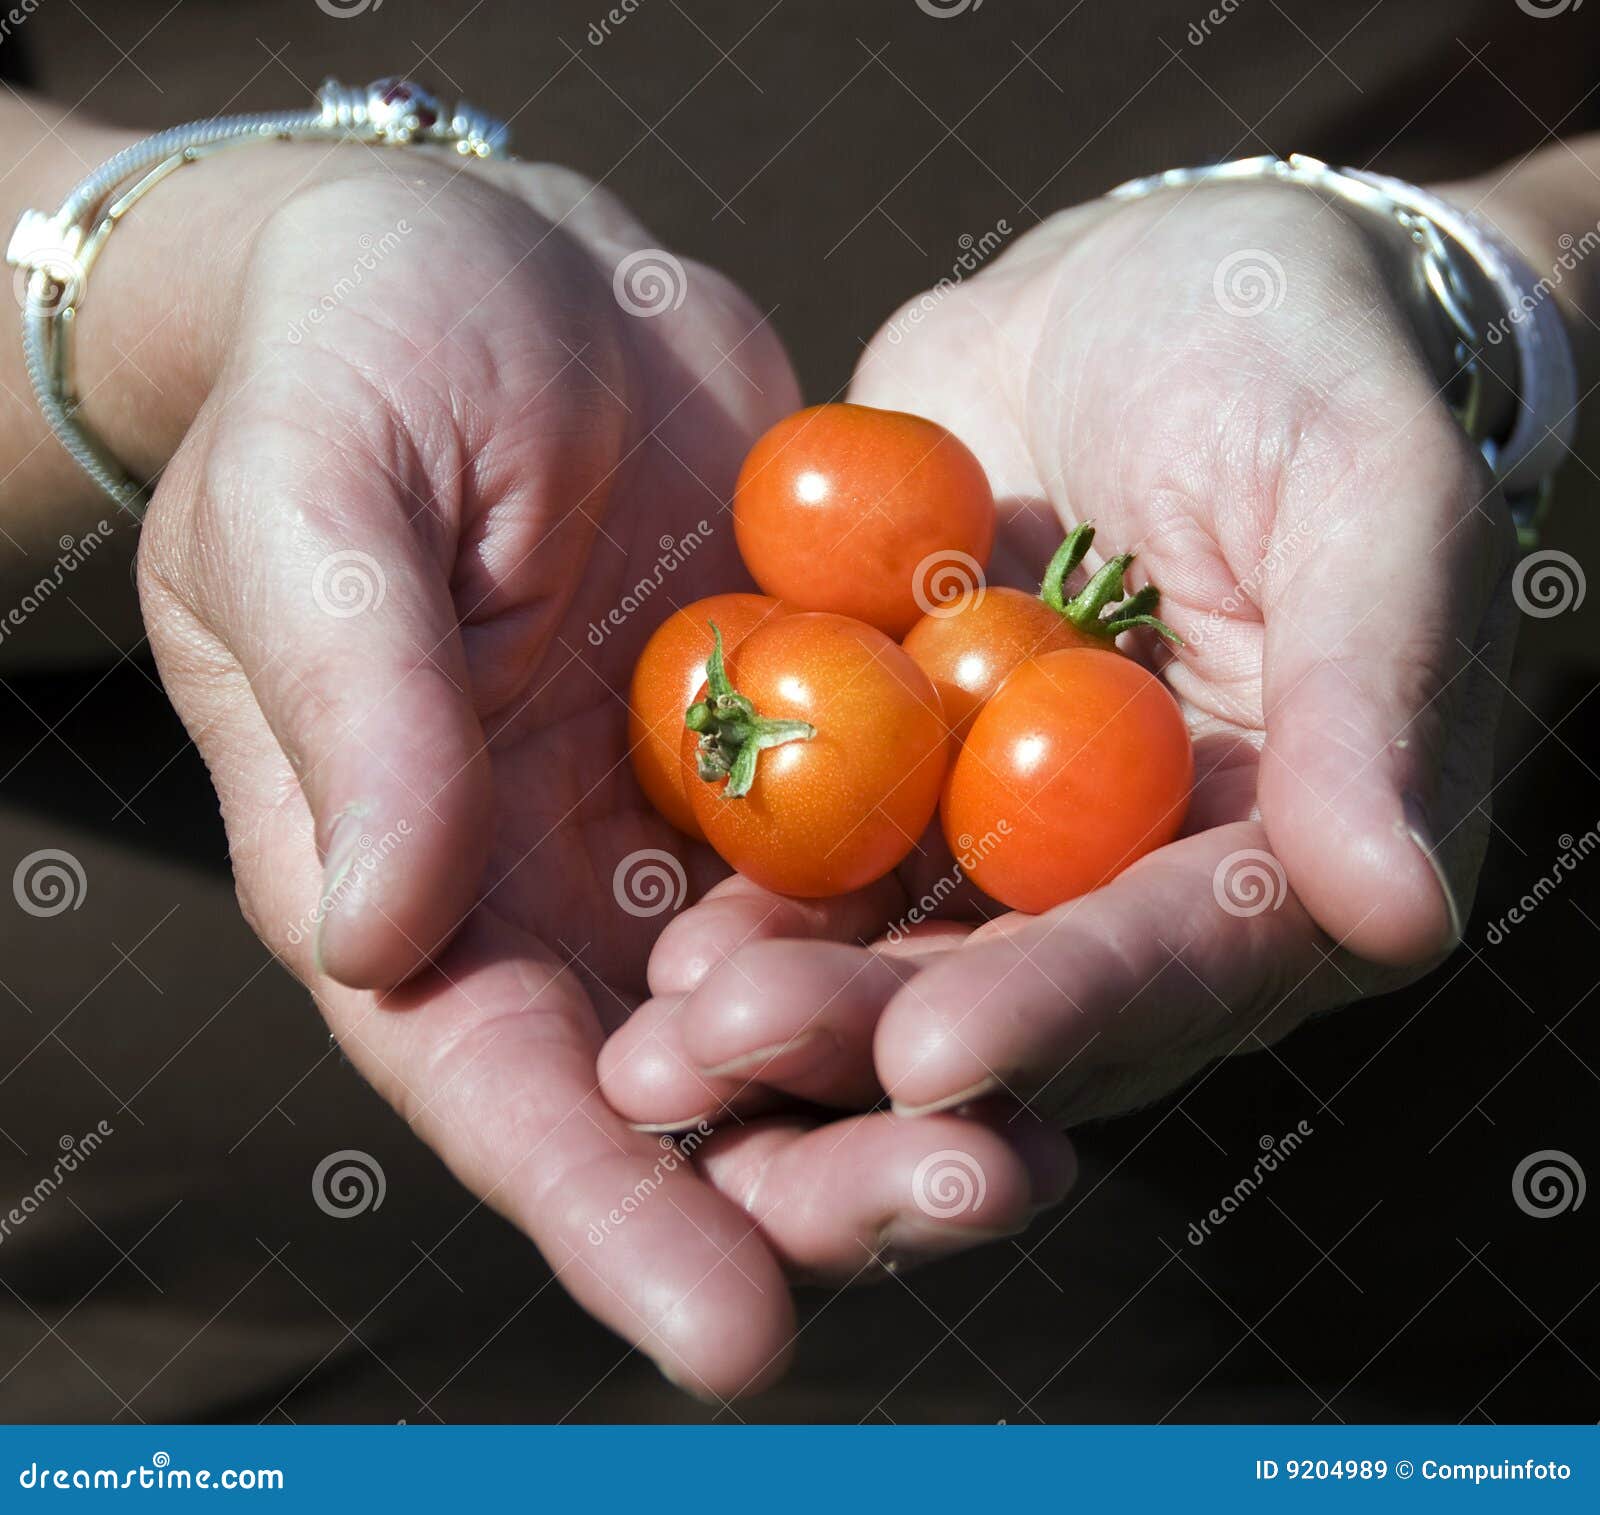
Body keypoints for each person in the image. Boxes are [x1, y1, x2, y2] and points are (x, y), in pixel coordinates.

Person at [1, 5, 1595, 1407]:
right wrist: (195, 303)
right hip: (224, 1364)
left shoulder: (881, 668)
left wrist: (1488, 323)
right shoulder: (866, 665)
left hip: (1367, 1361)